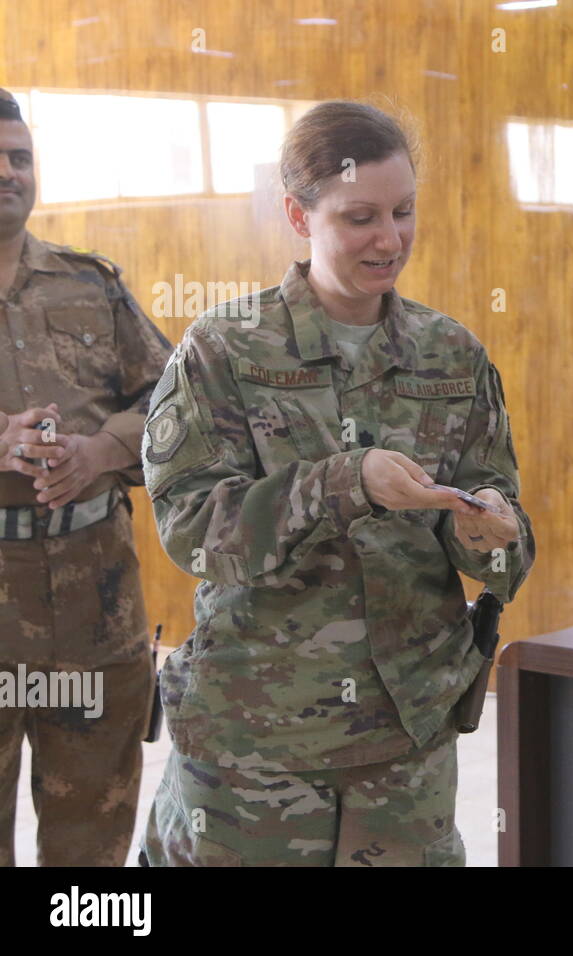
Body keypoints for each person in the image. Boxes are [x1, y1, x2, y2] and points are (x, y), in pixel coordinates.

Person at [141, 101, 534, 866]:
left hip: (408, 738)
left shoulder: (451, 355)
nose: (389, 239)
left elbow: (501, 523)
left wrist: (487, 532)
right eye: (360, 217)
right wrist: (343, 482)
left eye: (403, 211)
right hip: (256, 744)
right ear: (298, 213)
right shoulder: (221, 351)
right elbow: (194, 532)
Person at [0, 88, 173, 866]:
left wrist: (100, 451)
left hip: (95, 605)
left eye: (20, 158)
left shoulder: (90, 285)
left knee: (92, 841)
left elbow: (181, 406)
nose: (9, 172)